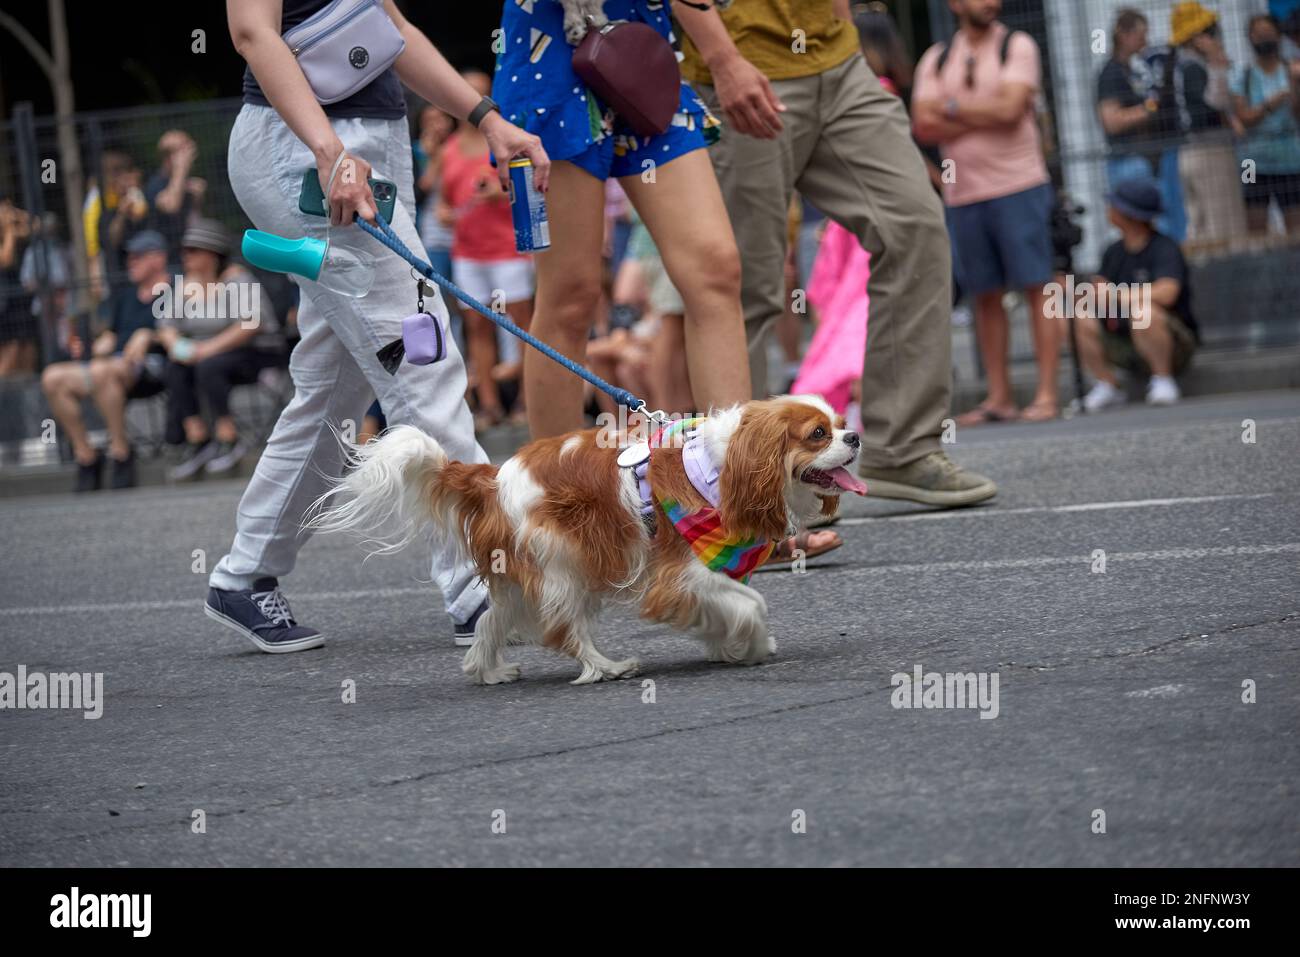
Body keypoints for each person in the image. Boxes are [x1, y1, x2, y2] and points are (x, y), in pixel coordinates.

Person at [215, 0, 548, 653]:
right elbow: (252, 31)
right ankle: (482, 578)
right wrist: (329, 149)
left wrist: (485, 118)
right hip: (307, 149)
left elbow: (391, 30)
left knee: (337, 382)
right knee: (420, 351)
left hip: (362, 146)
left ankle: (245, 570)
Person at [676, 0, 996, 507]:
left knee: (914, 227)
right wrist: (721, 58)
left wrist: (843, 29)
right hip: (740, 63)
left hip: (839, 62)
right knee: (747, 282)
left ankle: (903, 450)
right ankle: (748, 492)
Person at [493, 0, 751, 441]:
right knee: (571, 296)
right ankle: (555, 495)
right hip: (550, 54)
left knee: (715, 269)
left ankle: (736, 480)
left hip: (640, 52)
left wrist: (724, 57)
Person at [911, 0, 1059, 425]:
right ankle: (1000, 398)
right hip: (963, 194)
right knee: (985, 295)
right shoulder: (937, 58)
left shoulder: (1018, 45)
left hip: (1020, 186)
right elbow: (922, 124)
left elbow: (1012, 111)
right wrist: (984, 112)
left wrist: (952, 108)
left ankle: (1047, 394)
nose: (991, 3)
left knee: (1037, 288)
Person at [438, 70, 535, 431]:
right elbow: (444, 200)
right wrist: (444, 213)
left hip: (507, 249)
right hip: (468, 252)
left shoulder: (504, 142)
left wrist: (501, 194)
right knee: (477, 327)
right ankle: (490, 405)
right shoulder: (448, 149)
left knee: (522, 326)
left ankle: (527, 400)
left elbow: (530, 192)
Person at [39, 230, 170, 491]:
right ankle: (86, 455)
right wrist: (88, 348)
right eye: (130, 257)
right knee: (52, 377)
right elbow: (111, 337)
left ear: (158, 259)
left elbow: (187, 331)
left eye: (138, 257)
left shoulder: (177, 290)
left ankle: (121, 451)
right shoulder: (125, 297)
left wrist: (150, 336)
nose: (130, 262)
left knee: (102, 371)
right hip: (112, 366)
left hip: (155, 364)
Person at [159, 219, 288, 480]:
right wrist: (177, 346)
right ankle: (199, 439)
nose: (185, 256)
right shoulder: (185, 286)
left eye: (192, 250)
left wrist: (206, 349)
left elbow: (251, 324)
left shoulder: (237, 280)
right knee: (176, 367)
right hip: (211, 353)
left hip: (255, 352)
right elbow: (166, 326)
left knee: (209, 365)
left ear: (211, 253)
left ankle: (228, 436)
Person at [1064, 177, 1199, 412]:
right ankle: (1107, 385)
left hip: (1173, 343)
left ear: (1130, 214)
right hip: (1124, 339)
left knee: (1144, 312)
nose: (1110, 210)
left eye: (1115, 205)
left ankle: (1163, 379)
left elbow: (1167, 293)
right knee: (1076, 317)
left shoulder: (1164, 247)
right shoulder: (1113, 252)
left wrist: (1117, 295)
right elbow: (1098, 292)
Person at [1096, 8, 1187, 242]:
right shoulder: (1111, 73)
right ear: (1124, 36)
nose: (1145, 41)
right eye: (1141, 34)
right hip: (1128, 162)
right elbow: (1111, 122)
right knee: (1137, 226)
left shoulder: (1134, 70)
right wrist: (1150, 109)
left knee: (1164, 222)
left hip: (1147, 160)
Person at [1167, 2, 1247, 247]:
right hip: (1206, 150)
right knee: (1220, 225)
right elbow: (1214, 102)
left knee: (1204, 224)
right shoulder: (1191, 66)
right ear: (1195, 37)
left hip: (1200, 151)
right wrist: (1216, 63)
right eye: (1208, 32)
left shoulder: (1188, 65)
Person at [1230, 14, 1300, 236]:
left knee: (1295, 222)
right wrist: (1270, 104)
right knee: (1255, 223)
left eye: (1267, 32)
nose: (1263, 38)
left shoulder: (1291, 70)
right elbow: (1243, 116)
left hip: (1290, 158)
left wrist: (1295, 86)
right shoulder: (1243, 75)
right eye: (1257, 34)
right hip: (1251, 160)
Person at [145, 130, 206, 257]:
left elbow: (193, 221)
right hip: (167, 260)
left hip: (188, 254)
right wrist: (181, 168)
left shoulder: (185, 183)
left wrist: (197, 199)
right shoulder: (155, 184)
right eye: (185, 152)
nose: (191, 156)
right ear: (169, 157)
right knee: (179, 278)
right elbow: (171, 206)